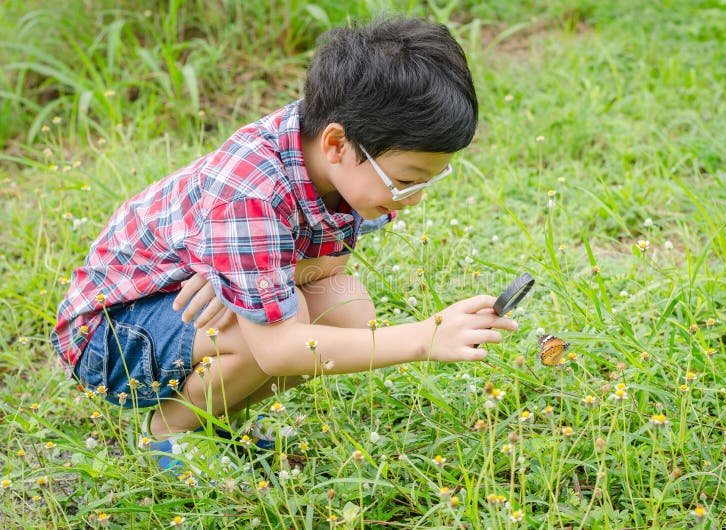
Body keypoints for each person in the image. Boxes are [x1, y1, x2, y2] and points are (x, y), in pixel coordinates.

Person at [51, 17, 518, 464]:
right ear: (337, 146)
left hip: (172, 314)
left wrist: (243, 278)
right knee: (279, 322)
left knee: (346, 307)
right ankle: (167, 433)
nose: (411, 201)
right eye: (406, 181)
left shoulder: (339, 157)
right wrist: (425, 337)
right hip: (111, 335)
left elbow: (332, 266)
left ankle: (211, 420)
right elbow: (277, 348)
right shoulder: (250, 192)